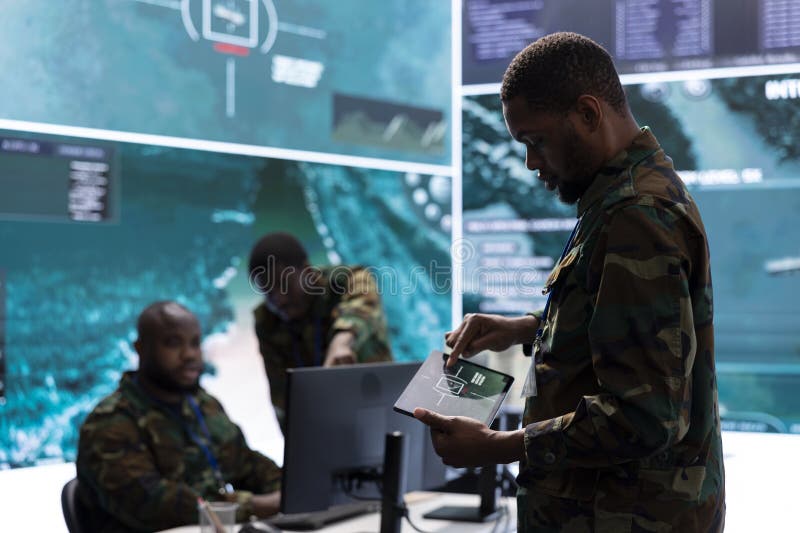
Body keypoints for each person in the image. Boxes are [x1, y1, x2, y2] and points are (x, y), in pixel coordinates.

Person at [414, 32, 725, 532]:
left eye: (537, 141)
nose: (532, 162)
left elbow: (646, 416)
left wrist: (498, 447)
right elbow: (622, 323)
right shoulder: (621, 197)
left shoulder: (636, 215)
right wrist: (526, 328)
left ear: (587, 113)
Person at [76, 301, 282, 532]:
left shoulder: (202, 404)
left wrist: (285, 491)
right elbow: (156, 506)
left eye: (195, 343)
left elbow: (248, 463)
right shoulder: (110, 423)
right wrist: (255, 506)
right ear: (141, 348)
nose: (189, 355)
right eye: (173, 343)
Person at [249, 232, 393, 433]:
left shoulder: (347, 280)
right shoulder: (267, 321)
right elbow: (282, 393)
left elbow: (362, 309)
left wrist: (341, 342)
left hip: (377, 405)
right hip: (325, 423)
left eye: (284, 285)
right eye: (268, 293)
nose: (279, 300)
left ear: (307, 271)